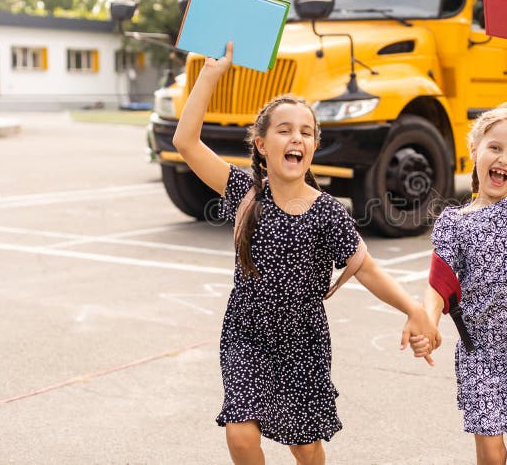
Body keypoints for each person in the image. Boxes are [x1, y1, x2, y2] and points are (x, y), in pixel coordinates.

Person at [173, 42, 440, 465]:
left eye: (306, 131)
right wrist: (210, 74)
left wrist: (413, 308)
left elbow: (366, 269)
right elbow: (186, 142)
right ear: (261, 145)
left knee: (306, 447)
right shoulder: (244, 192)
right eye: (284, 130)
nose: (296, 137)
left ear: (314, 146)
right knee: (241, 434)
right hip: (247, 336)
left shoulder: (328, 212)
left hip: (303, 342)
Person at [411, 34, 507, 465]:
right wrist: (425, 320)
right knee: (490, 453)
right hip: (480, 352)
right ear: (474, 151)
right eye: (495, 147)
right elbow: (438, 284)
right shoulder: (455, 221)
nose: (504, 158)